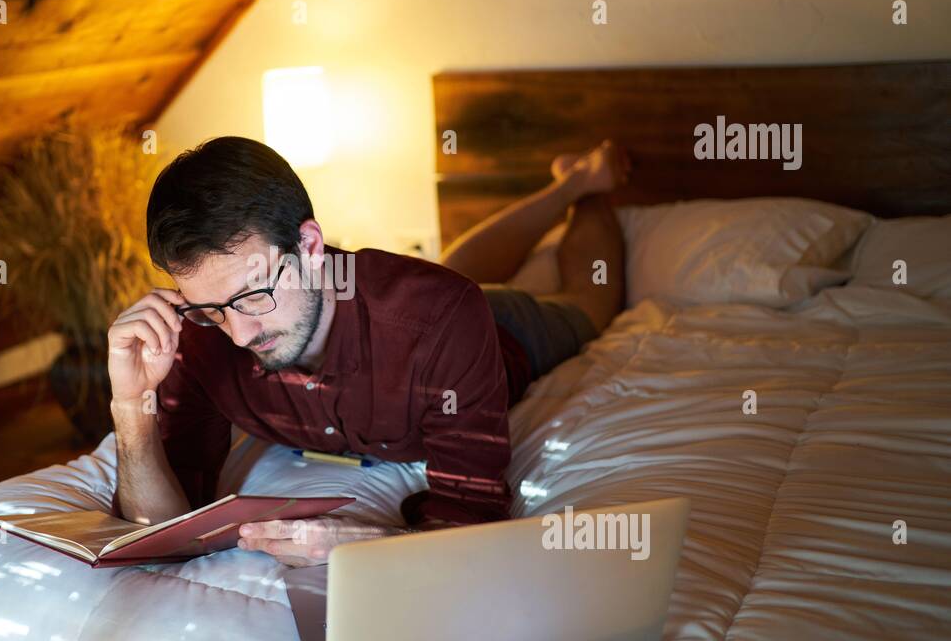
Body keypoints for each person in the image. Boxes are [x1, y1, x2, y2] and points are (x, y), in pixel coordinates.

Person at [106, 136, 629, 567]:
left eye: (255, 295)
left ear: (309, 246)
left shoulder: (442, 316)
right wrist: (131, 407)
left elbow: (470, 520)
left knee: (587, 304)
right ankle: (568, 183)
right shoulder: (202, 331)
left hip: (501, 328)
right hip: (425, 298)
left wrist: (365, 547)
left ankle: (586, 187)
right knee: (458, 264)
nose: (238, 335)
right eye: (213, 309)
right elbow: (160, 529)